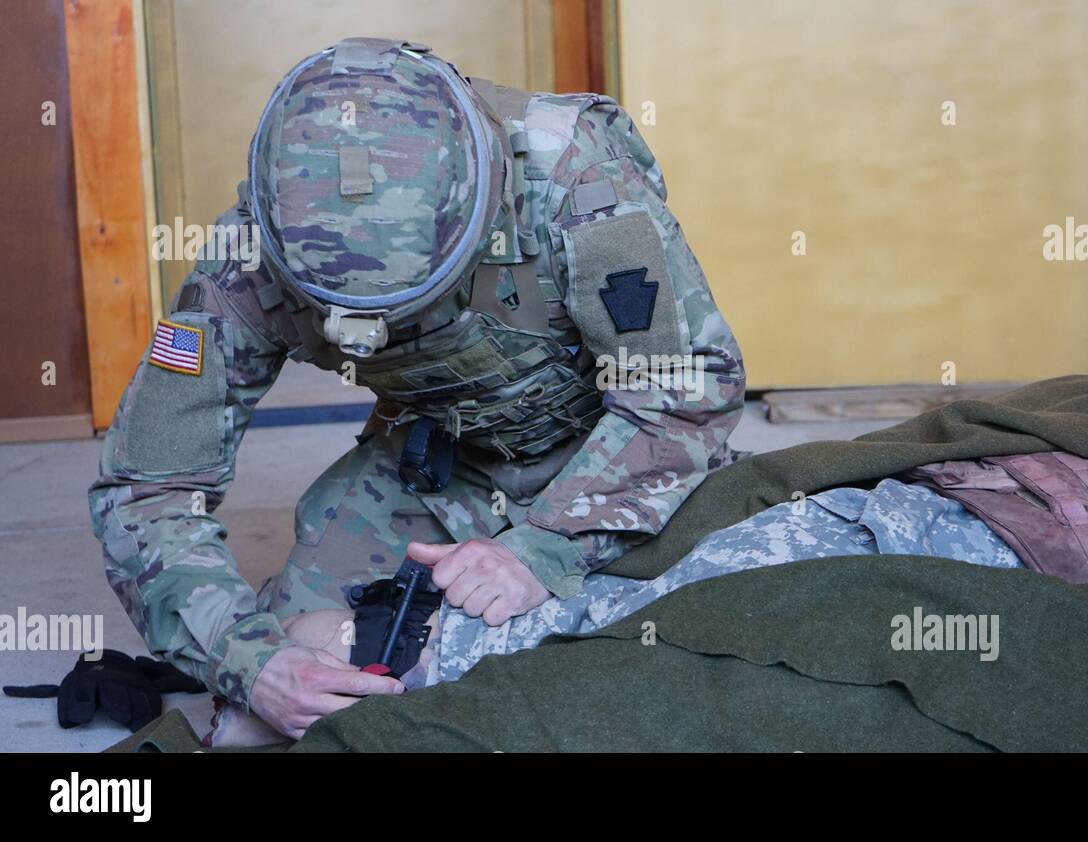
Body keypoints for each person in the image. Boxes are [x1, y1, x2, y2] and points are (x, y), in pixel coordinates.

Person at [88, 38, 745, 740]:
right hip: (442, 458)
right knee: (278, 708)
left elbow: (684, 390)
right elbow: (147, 488)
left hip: (607, 454)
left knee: (680, 659)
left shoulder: (574, 180)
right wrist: (249, 663)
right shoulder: (249, 259)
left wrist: (542, 551)